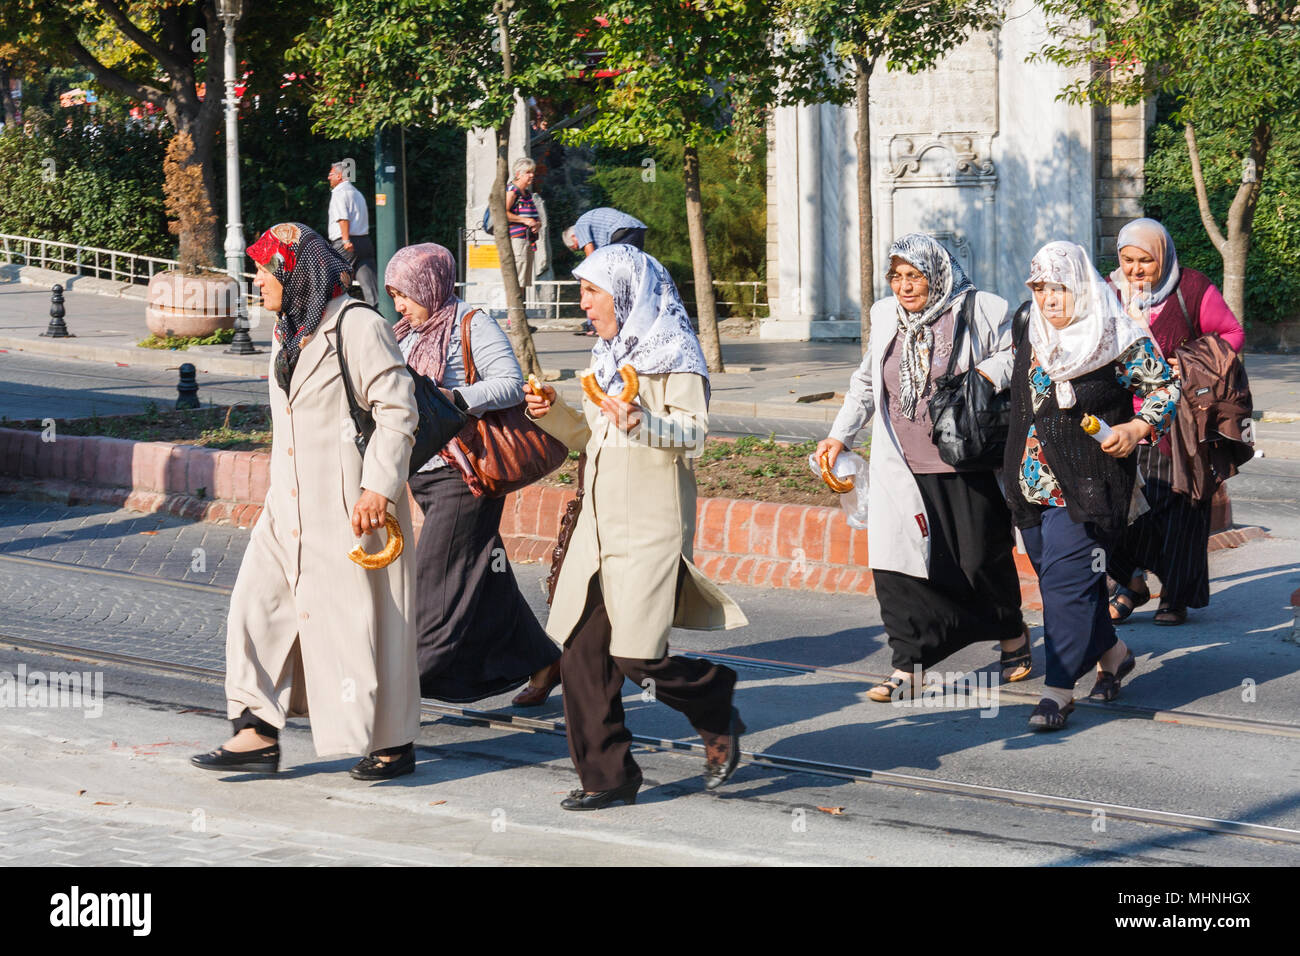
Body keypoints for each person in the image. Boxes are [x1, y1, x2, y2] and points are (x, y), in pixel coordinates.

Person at [191, 223, 421, 778]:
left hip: (350, 506)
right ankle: (256, 732)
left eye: (266, 270)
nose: (258, 281)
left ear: (296, 272)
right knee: (255, 607)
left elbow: (398, 409)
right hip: (285, 507)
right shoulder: (285, 332)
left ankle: (393, 741)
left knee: (368, 621)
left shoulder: (358, 326)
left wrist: (377, 487)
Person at [524, 244, 748, 811]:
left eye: (593, 291)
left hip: (650, 525)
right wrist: (550, 411)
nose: (584, 303)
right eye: (583, 291)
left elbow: (693, 434)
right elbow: (588, 438)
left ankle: (712, 697)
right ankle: (608, 776)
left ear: (626, 291)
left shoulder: (675, 351)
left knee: (637, 656)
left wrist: (643, 421)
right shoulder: (607, 354)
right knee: (580, 655)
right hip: (597, 527)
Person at [817, 233, 1029, 703]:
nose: (905, 286)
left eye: (914, 276)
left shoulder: (984, 308)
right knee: (896, 564)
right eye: (897, 276)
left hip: (965, 459)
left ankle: (1012, 634)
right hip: (902, 463)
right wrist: (840, 435)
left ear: (937, 274)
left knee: (980, 559)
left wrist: (988, 372)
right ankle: (907, 664)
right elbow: (867, 383)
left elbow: (1022, 356)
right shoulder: (884, 316)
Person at [1005, 240, 1180, 730]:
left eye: (1060, 288)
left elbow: (1164, 389)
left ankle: (1058, 690)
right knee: (1071, 586)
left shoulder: (1115, 337)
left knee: (1064, 585)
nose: (1049, 299)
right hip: (1030, 488)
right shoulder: (1031, 331)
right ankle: (1115, 653)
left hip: (1087, 486)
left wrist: (1135, 428)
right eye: (1040, 288)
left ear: (1081, 286)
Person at [384, 243, 563, 707]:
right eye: (393, 295)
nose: (398, 304)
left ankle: (399, 692)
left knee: (434, 585)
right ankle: (544, 660)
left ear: (431, 285)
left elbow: (510, 382)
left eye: (404, 293)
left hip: (465, 477)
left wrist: (451, 400)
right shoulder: (404, 331)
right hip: (423, 475)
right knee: (486, 576)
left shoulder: (470, 322)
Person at [1104, 218, 1246, 626]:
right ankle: (1130, 582)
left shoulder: (1193, 288)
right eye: (1127, 259)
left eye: (1145, 260)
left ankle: (1175, 593)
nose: (1135, 269)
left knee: (1180, 507)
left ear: (1162, 257)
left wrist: (1188, 361)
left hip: (1180, 420)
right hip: (1123, 416)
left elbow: (1232, 334)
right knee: (1124, 506)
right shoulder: (1109, 292)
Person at [326, 162, 379, 307]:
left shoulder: (339, 193)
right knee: (369, 285)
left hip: (346, 243)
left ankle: (336, 315)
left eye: (331, 174)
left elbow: (343, 218)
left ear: (339, 176)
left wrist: (345, 240)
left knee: (335, 281)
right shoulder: (357, 193)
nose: (328, 178)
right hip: (364, 242)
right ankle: (375, 312)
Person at [506, 157, 541, 295]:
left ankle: (519, 311)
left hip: (527, 240)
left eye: (532, 172)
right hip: (517, 240)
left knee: (524, 280)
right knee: (518, 278)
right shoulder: (512, 191)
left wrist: (537, 224)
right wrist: (525, 221)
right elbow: (503, 213)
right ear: (518, 174)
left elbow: (535, 217)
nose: (531, 175)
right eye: (528, 172)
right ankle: (514, 313)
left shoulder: (527, 194)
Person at [563, 207, 648, 256]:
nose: (581, 249)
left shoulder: (579, 226)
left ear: (573, 236)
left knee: (619, 265)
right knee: (634, 264)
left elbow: (591, 257)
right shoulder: (588, 224)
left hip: (622, 229)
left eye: (578, 247)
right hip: (636, 228)